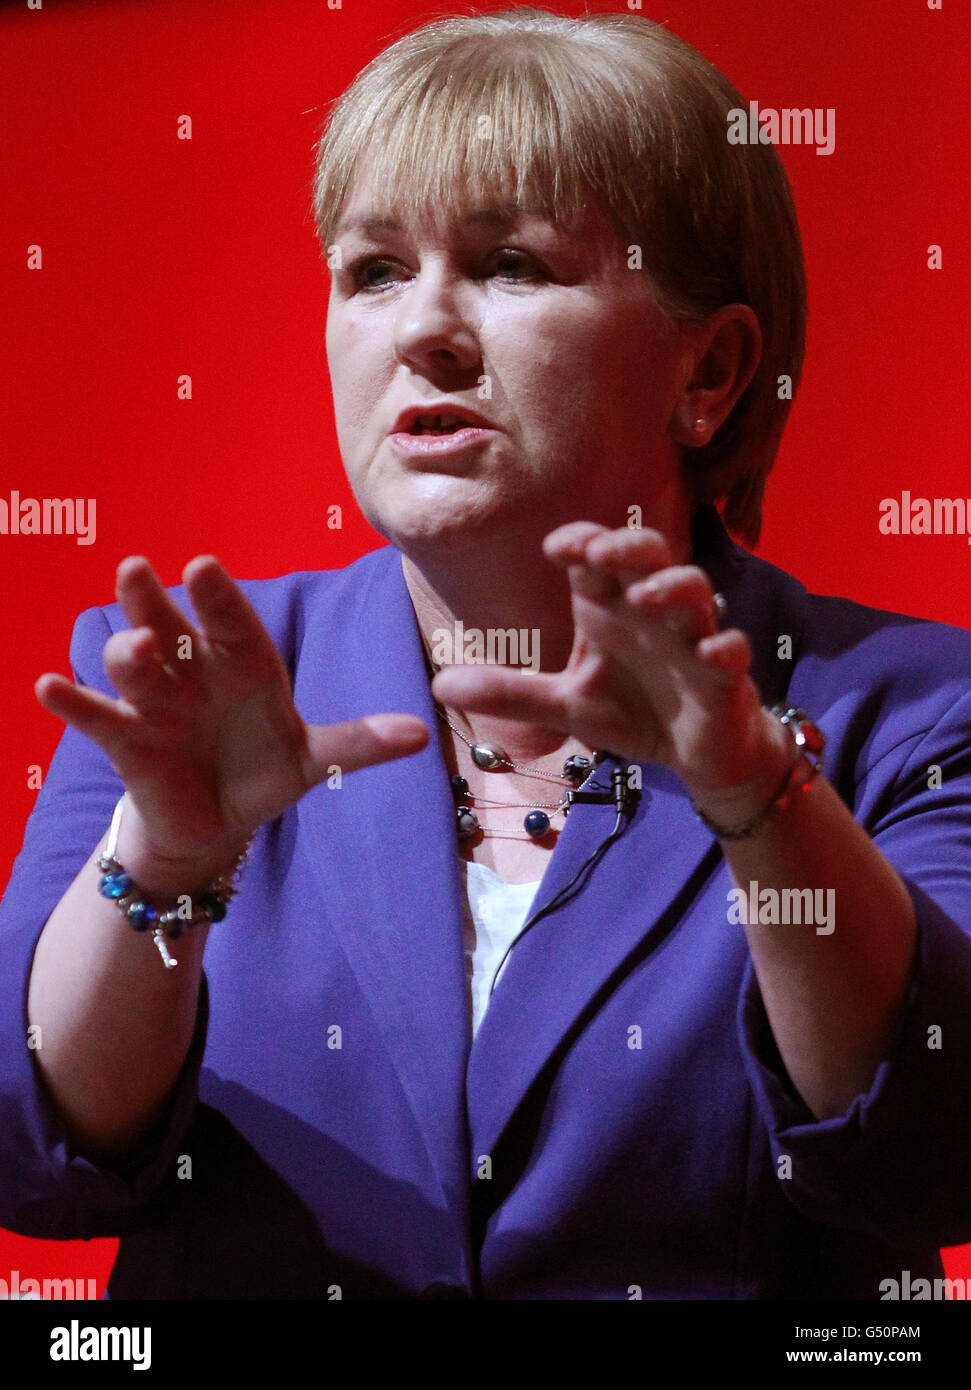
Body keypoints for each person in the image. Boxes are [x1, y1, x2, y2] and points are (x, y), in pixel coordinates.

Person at [1, 7, 970, 1300]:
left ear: (714, 372)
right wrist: (167, 863)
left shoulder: (907, 709)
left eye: (511, 264)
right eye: (373, 271)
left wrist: (758, 800)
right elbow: (36, 1155)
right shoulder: (177, 675)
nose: (425, 330)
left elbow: (934, 1146)